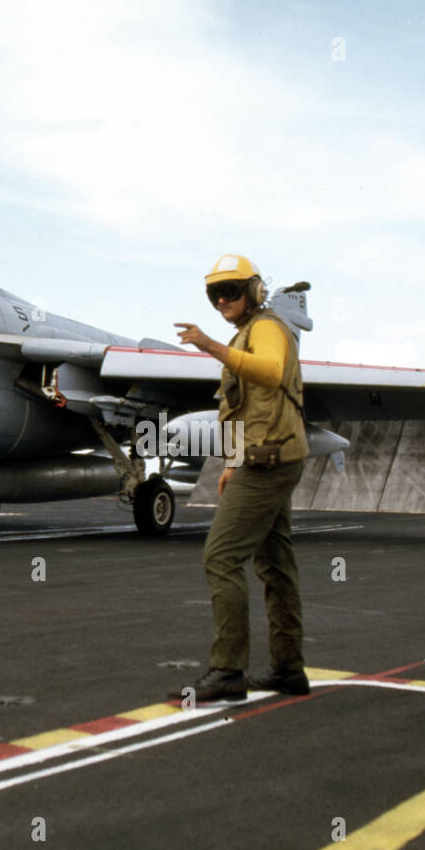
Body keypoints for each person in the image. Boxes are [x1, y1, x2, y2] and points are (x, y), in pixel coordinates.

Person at [169, 254, 310, 703]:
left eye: (230, 291)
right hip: (264, 457)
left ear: (253, 291)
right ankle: (288, 670)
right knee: (275, 565)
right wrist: (230, 463)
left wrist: (208, 344)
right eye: (214, 294)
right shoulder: (244, 335)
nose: (221, 301)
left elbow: (269, 373)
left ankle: (228, 671)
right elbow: (238, 410)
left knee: (221, 557)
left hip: (269, 461)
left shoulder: (265, 328)